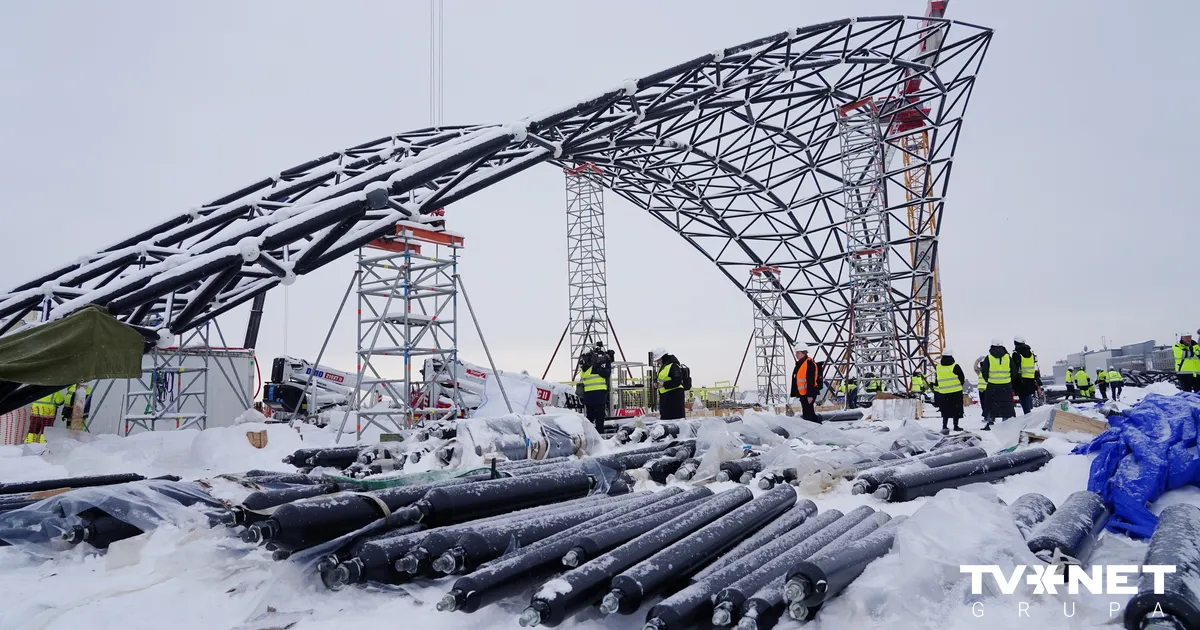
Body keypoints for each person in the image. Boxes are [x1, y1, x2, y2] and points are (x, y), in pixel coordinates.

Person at [979, 338, 1015, 430]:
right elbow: (1014, 371)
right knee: (1006, 405)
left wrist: (989, 380)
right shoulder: (1008, 357)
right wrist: (1008, 380)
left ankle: (990, 422)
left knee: (991, 404)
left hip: (992, 385)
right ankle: (1005, 422)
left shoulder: (989, 358)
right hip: (1006, 386)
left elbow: (984, 371)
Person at [578, 344, 612, 434]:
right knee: (599, 419)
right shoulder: (595, 369)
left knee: (590, 418)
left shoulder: (584, 370)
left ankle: (589, 434)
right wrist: (608, 362)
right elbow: (607, 373)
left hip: (588, 397)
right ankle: (599, 436)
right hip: (598, 396)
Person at [934, 349, 966, 435]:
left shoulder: (938, 367)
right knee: (956, 409)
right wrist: (958, 386)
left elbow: (937, 381)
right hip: (956, 392)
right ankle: (956, 426)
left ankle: (944, 426)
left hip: (943, 393)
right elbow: (962, 378)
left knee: (945, 410)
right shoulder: (955, 366)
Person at [651, 347, 687, 420]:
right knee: (665, 418)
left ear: (663, 357)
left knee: (675, 419)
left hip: (674, 397)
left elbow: (677, 381)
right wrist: (655, 383)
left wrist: (664, 384)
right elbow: (659, 378)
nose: (658, 362)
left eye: (658, 360)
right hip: (665, 397)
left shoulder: (673, 366)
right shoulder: (663, 367)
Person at [1010, 336, 1042, 415]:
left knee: (1024, 401)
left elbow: (1015, 368)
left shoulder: (1016, 354)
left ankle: (1028, 418)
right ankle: (1029, 414)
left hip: (1021, 381)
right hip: (1030, 380)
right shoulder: (1031, 354)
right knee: (1027, 398)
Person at [789, 347, 819, 422]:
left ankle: (816, 426)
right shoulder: (800, 364)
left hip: (808, 393)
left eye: (798, 353)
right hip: (803, 393)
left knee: (809, 414)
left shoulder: (809, 364)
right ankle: (815, 426)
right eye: (796, 353)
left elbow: (811, 380)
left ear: (804, 353)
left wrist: (810, 395)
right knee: (807, 413)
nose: (796, 355)